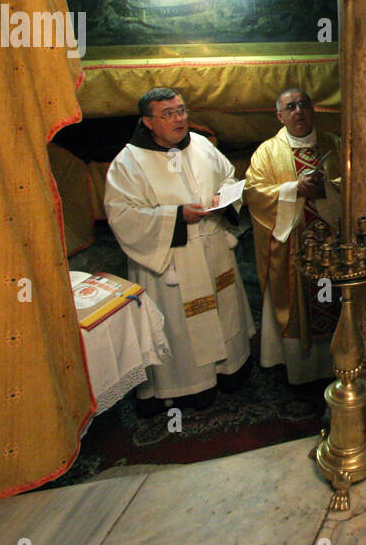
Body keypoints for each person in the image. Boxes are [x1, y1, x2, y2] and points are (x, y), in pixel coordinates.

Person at [105, 88, 256, 415]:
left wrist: (221, 202)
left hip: (214, 247)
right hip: (173, 258)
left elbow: (228, 176)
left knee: (224, 313)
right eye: (168, 113)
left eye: (181, 110)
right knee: (181, 329)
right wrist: (175, 216)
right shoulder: (128, 163)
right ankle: (188, 388)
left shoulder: (201, 144)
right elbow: (122, 216)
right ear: (147, 122)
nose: (179, 118)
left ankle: (229, 373)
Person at [244, 87, 343, 386]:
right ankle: (300, 371)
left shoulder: (335, 144)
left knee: (334, 300)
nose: (298, 111)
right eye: (290, 107)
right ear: (280, 115)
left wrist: (326, 189)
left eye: (303, 105)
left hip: (333, 246)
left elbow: (355, 181)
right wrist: (293, 190)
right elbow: (254, 192)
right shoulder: (267, 151)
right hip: (292, 246)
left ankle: (338, 364)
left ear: (312, 109)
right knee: (298, 299)